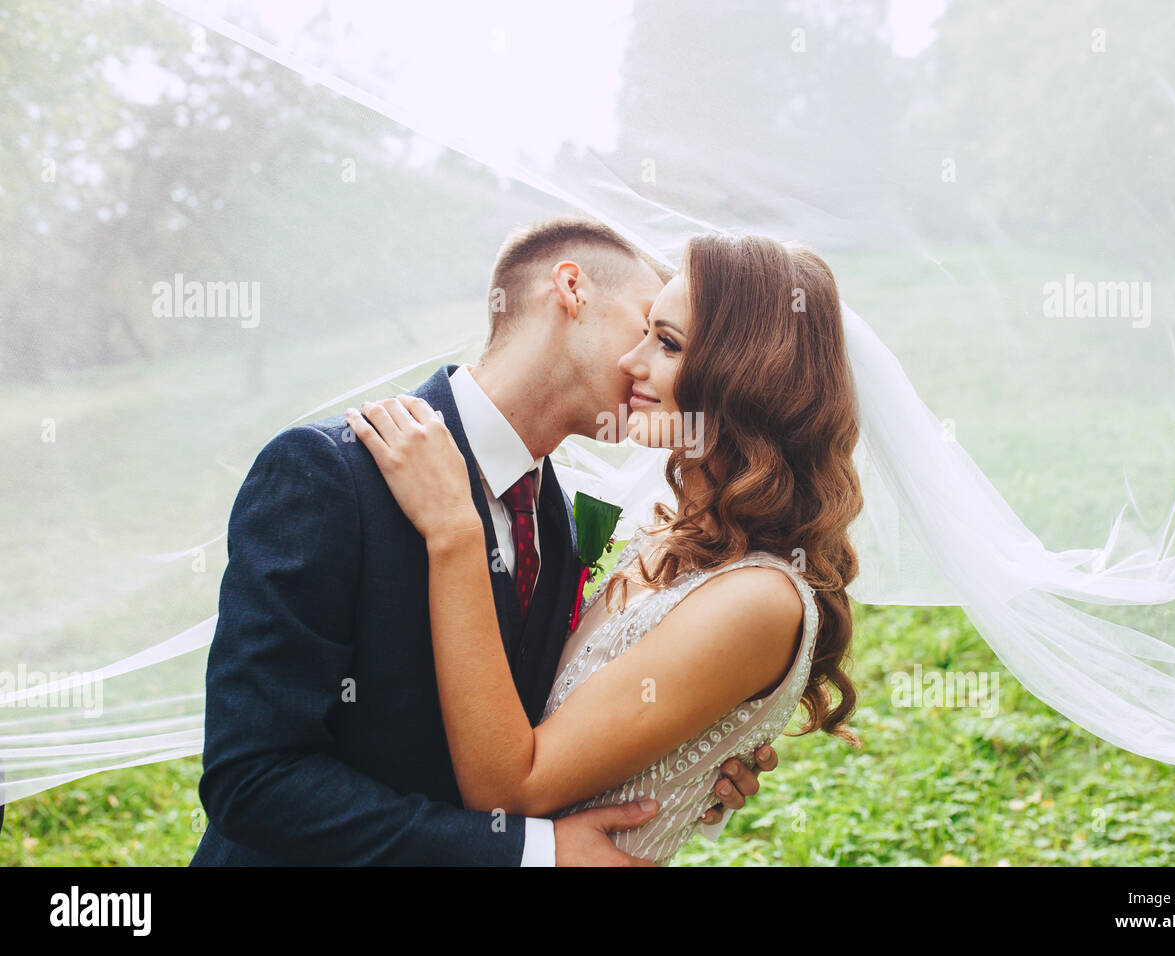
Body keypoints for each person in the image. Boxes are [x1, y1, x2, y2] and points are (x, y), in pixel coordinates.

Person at [191, 218, 779, 866]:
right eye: (647, 328)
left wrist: (683, 764)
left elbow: (533, 734)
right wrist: (527, 853)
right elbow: (253, 781)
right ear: (571, 289)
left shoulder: (555, 517)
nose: (651, 363)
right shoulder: (329, 473)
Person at [347, 232, 864, 863]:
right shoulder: (661, 540)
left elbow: (510, 787)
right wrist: (691, 754)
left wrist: (456, 533)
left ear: (742, 376)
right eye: (645, 332)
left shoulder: (757, 597)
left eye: (666, 342)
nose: (631, 362)